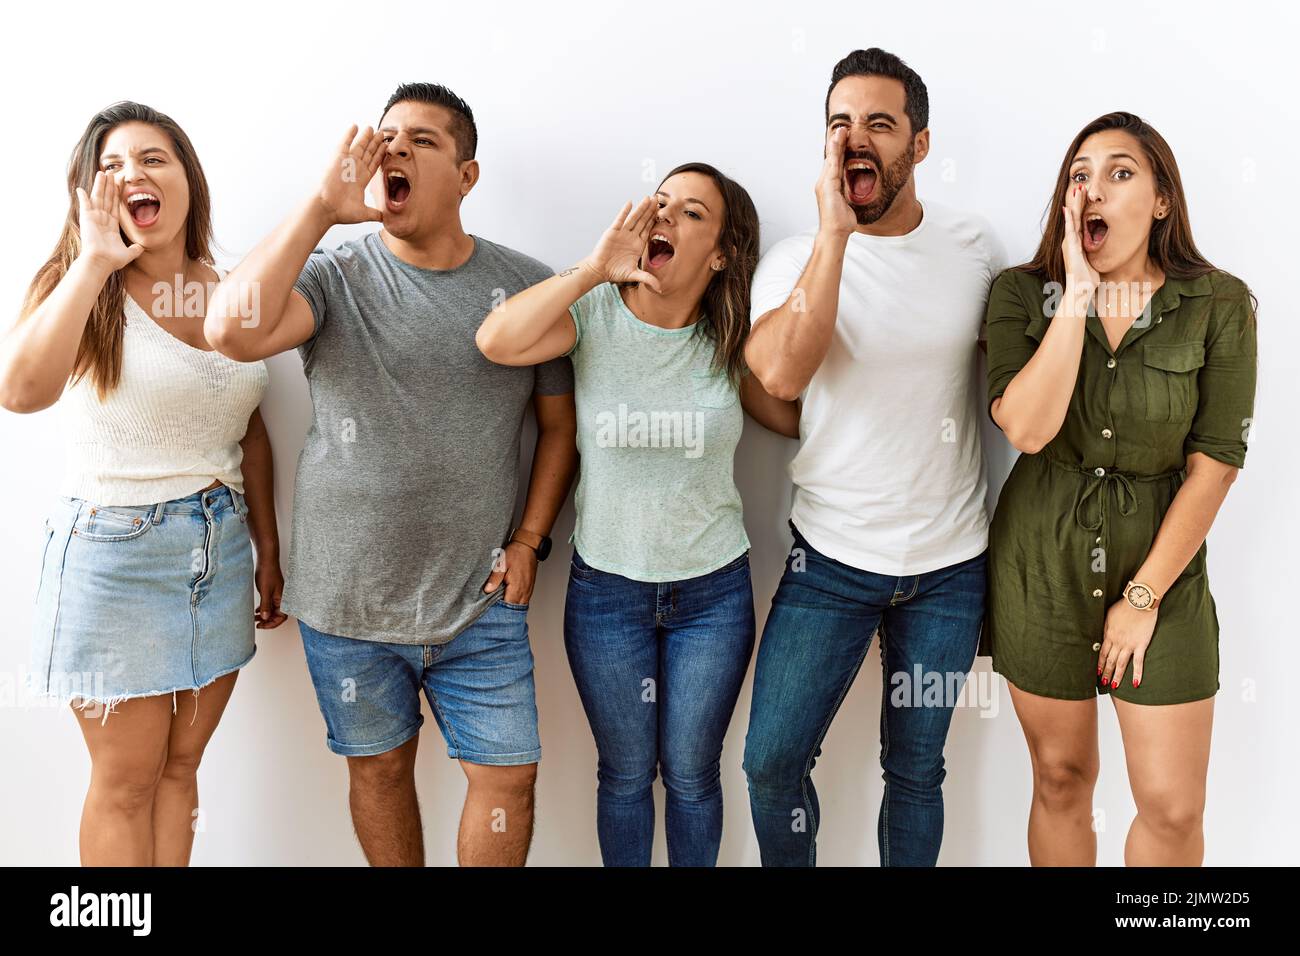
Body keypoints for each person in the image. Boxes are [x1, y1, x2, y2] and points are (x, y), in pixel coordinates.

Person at [204, 83, 577, 867]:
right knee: (378, 773)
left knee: (508, 779)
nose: (395, 150)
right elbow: (229, 333)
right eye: (386, 138)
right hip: (346, 601)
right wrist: (317, 209)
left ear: (468, 174)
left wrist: (533, 542)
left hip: (481, 601)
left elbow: (557, 427)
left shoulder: (525, 283)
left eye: (422, 140)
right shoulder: (335, 275)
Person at [476, 163, 798, 865]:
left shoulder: (731, 336)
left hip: (713, 593)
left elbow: (797, 413)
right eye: (660, 204)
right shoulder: (592, 316)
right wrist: (593, 268)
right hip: (607, 594)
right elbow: (497, 340)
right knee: (623, 777)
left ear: (721, 254)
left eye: (690, 213)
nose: (664, 219)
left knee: (690, 777)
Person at [741, 49, 1006, 866]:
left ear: (919, 145)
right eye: (838, 125)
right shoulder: (795, 260)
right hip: (831, 560)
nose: (855, 139)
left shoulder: (975, 249)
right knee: (771, 762)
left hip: (950, 563)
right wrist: (833, 234)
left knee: (917, 772)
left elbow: (1012, 389)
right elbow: (781, 374)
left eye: (879, 124)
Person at [0, 102, 283, 866]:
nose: (133, 174)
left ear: (188, 179)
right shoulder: (76, 287)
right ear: (89, 194)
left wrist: (267, 548)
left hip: (217, 552)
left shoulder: (230, 291)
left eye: (154, 158)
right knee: (124, 782)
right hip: (113, 556)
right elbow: (19, 392)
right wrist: (95, 263)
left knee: (179, 770)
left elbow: (248, 425)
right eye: (113, 165)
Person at [982, 111, 1257, 866]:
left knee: (1172, 808)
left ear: (1162, 200)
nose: (1093, 188)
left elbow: (1217, 461)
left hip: (1162, 573)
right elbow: (1028, 430)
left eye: (1120, 172)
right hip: (1041, 561)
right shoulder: (1019, 294)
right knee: (1062, 779)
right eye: (1080, 175)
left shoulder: (1219, 305)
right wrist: (1074, 292)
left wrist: (1143, 599)